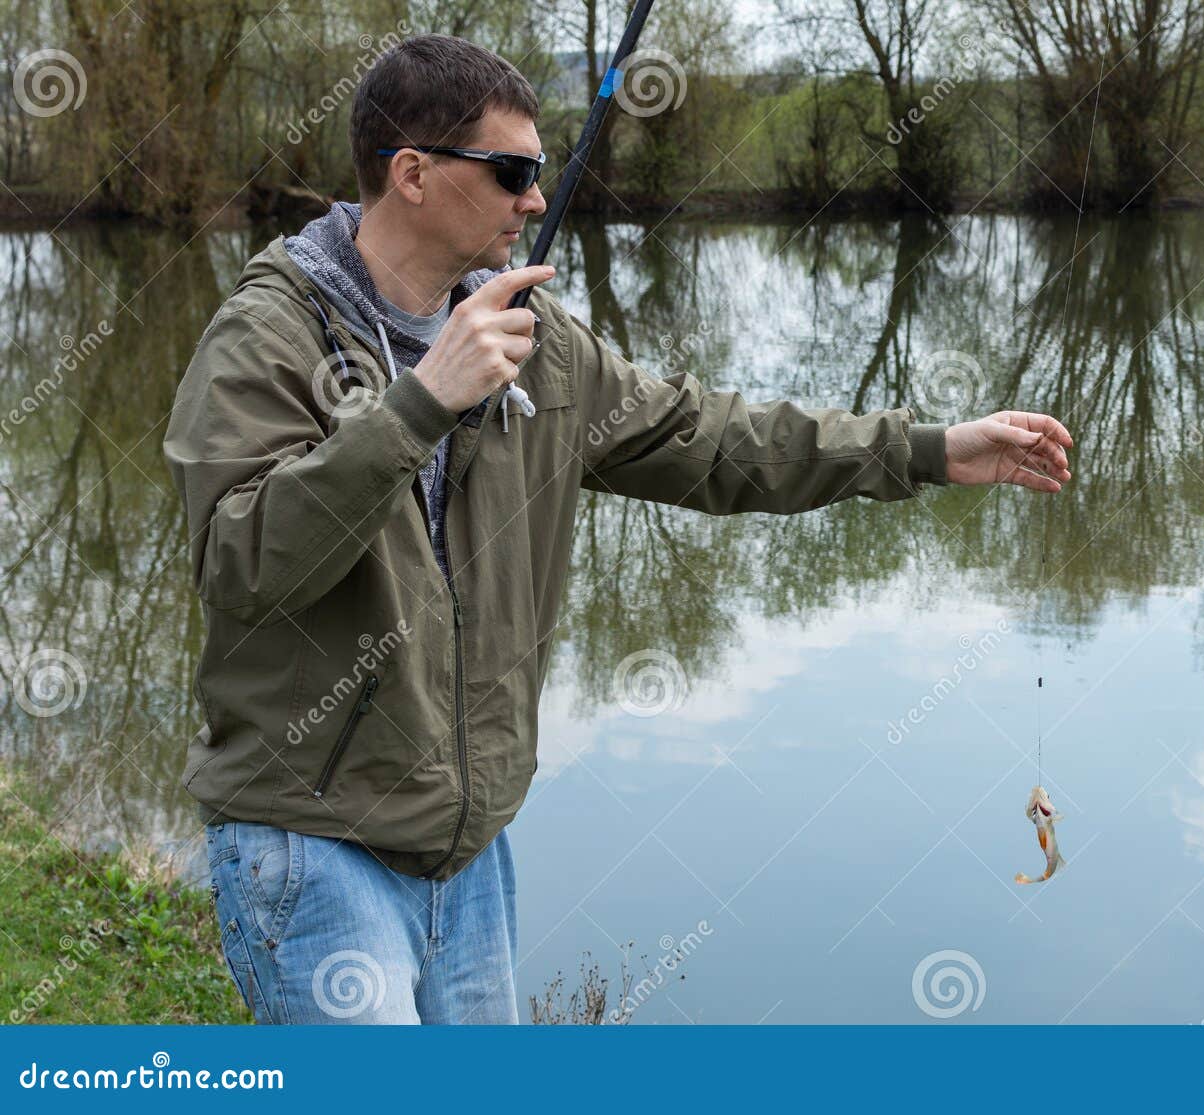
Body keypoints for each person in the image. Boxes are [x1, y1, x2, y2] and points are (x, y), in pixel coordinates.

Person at [162, 33, 1074, 1025]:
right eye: (512, 172)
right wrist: (420, 404)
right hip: (312, 841)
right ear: (412, 174)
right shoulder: (272, 333)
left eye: (539, 173)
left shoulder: (535, 343)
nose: (534, 202)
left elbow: (712, 439)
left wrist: (931, 449)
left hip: (465, 852)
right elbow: (241, 564)